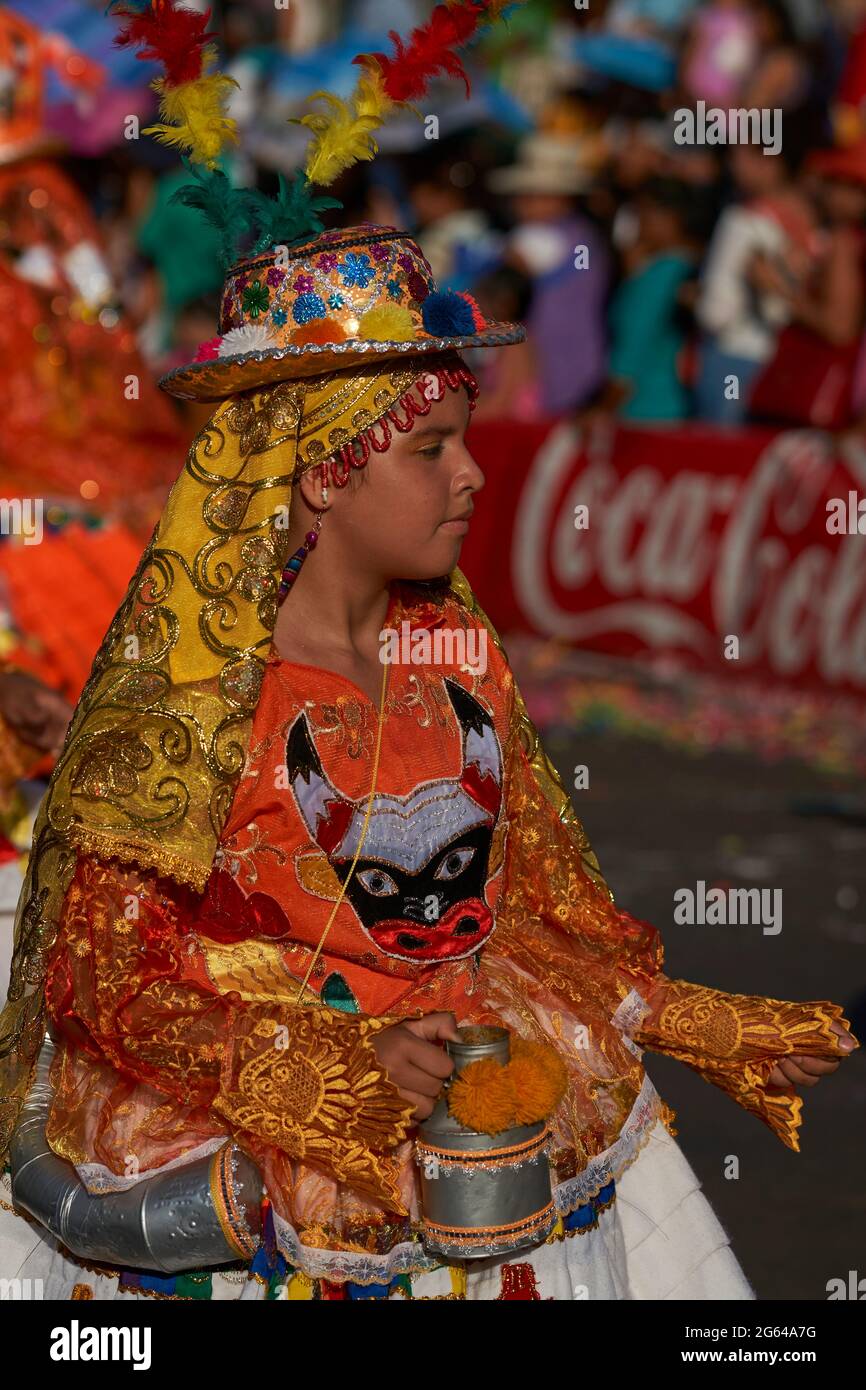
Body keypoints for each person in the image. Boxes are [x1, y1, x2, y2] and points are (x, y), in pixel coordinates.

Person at [0, 0, 858, 1303]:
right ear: (325, 466)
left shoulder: (453, 653)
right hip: (257, 1199)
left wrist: (691, 1016)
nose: (469, 478)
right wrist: (314, 1064)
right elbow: (102, 983)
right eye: (428, 448)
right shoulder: (183, 694)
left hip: (475, 1167)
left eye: (464, 437)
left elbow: (518, 917)